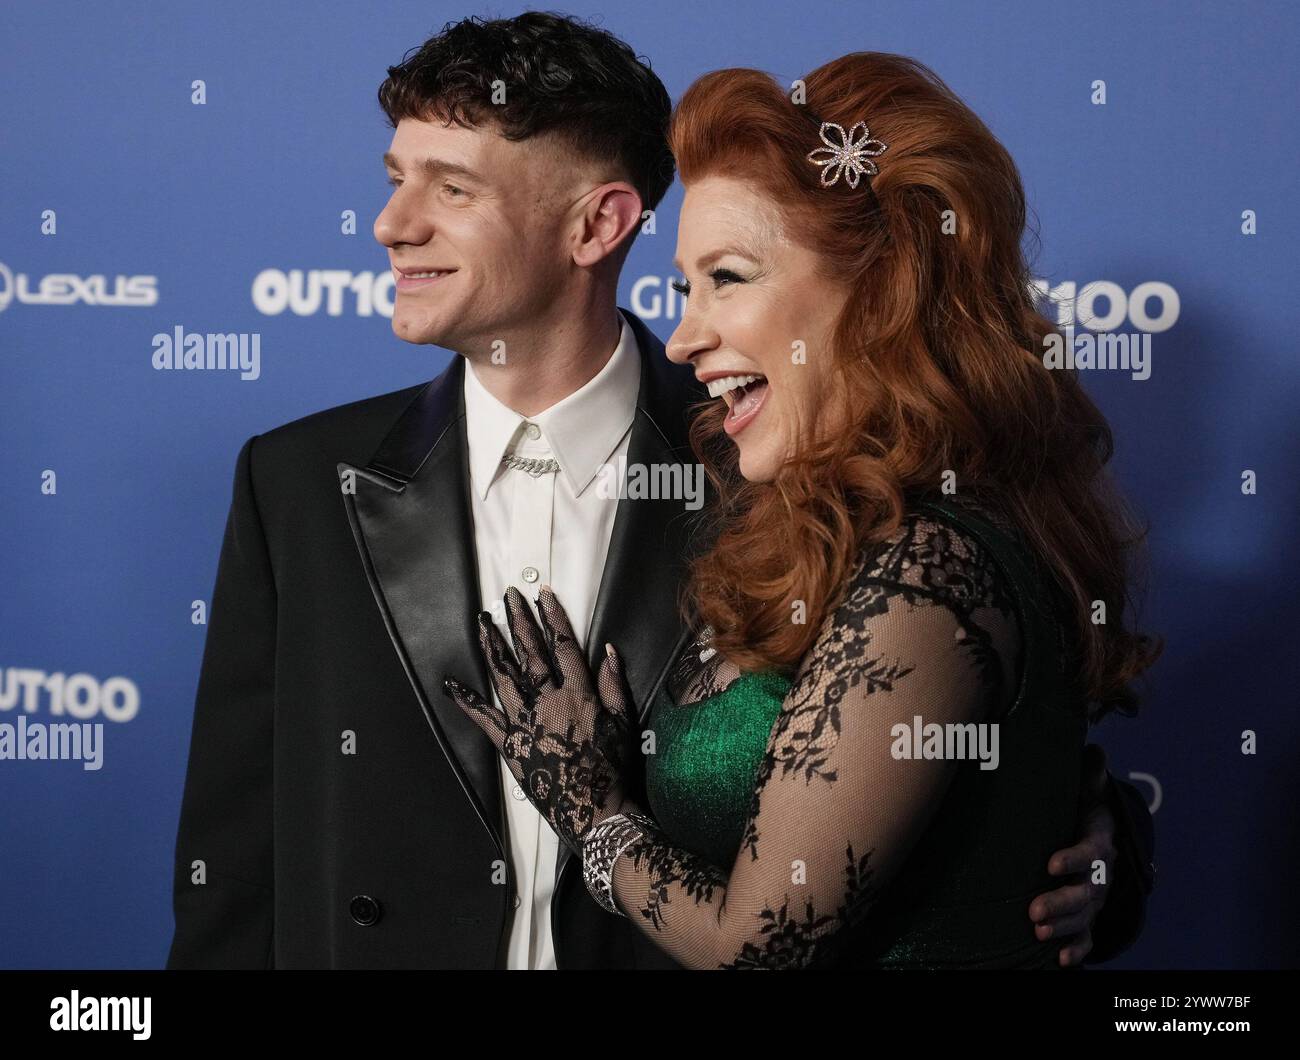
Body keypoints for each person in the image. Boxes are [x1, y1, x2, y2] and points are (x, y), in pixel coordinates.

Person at [167, 14, 1152, 970]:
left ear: (597, 222)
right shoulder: (296, 483)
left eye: (451, 186)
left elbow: (981, 747)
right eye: (393, 180)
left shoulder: (789, 473)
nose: (389, 223)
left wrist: (1095, 844)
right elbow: (235, 860)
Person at [441, 50, 1162, 968]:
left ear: (880, 291)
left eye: (730, 278)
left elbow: (762, 941)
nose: (687, 335)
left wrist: (595, 814)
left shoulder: (935, 558)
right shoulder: (769, 500)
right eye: (683, 288)